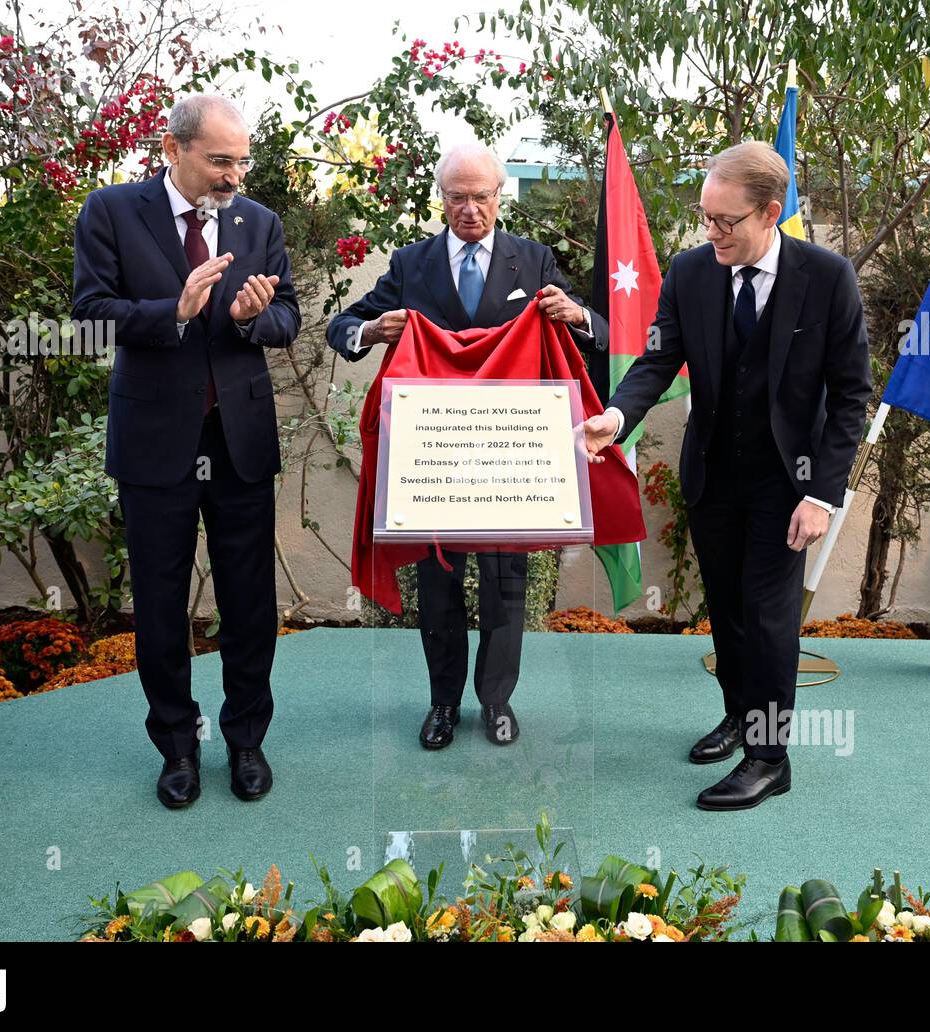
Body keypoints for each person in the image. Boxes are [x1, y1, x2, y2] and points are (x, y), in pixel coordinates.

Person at [582, 141, 871, 811]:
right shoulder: (690, 273)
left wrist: (822, 495)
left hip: (789, 485)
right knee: (731, 614)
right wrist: (617, 417)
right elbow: (657, 360)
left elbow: (851, 395)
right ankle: (742, 714)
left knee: (770, 619)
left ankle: (770, 758)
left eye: (725, 221)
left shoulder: (828, 279)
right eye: (705, 217)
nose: (711, 232)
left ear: (770, 213)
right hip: (712, 475)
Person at [326, 141, 609, 751]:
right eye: (457, 197)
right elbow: (340, 327)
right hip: (435, 461)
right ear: (442, 197)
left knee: (507, 585)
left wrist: (578, 316)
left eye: (481, 196)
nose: (470, 209)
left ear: (500, 196)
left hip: (511, 457)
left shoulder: (533, 261)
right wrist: (373, 329)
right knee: (438, 588)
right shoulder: (411, 264)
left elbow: (603, 333)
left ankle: (497, 702)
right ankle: (442, 705)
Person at [72, 94, 300, 809]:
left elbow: (288, 314)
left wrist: (249, 318)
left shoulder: (259, 223)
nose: (235, 174)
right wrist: (172, 311)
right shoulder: (111, 211)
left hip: (239, 444)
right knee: (162, 607)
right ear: (172, 149)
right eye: (220, 159)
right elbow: (89, 316)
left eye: (242, 159)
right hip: (154, 445)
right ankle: (176, 748)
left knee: (249, 602)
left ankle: (246, 741)